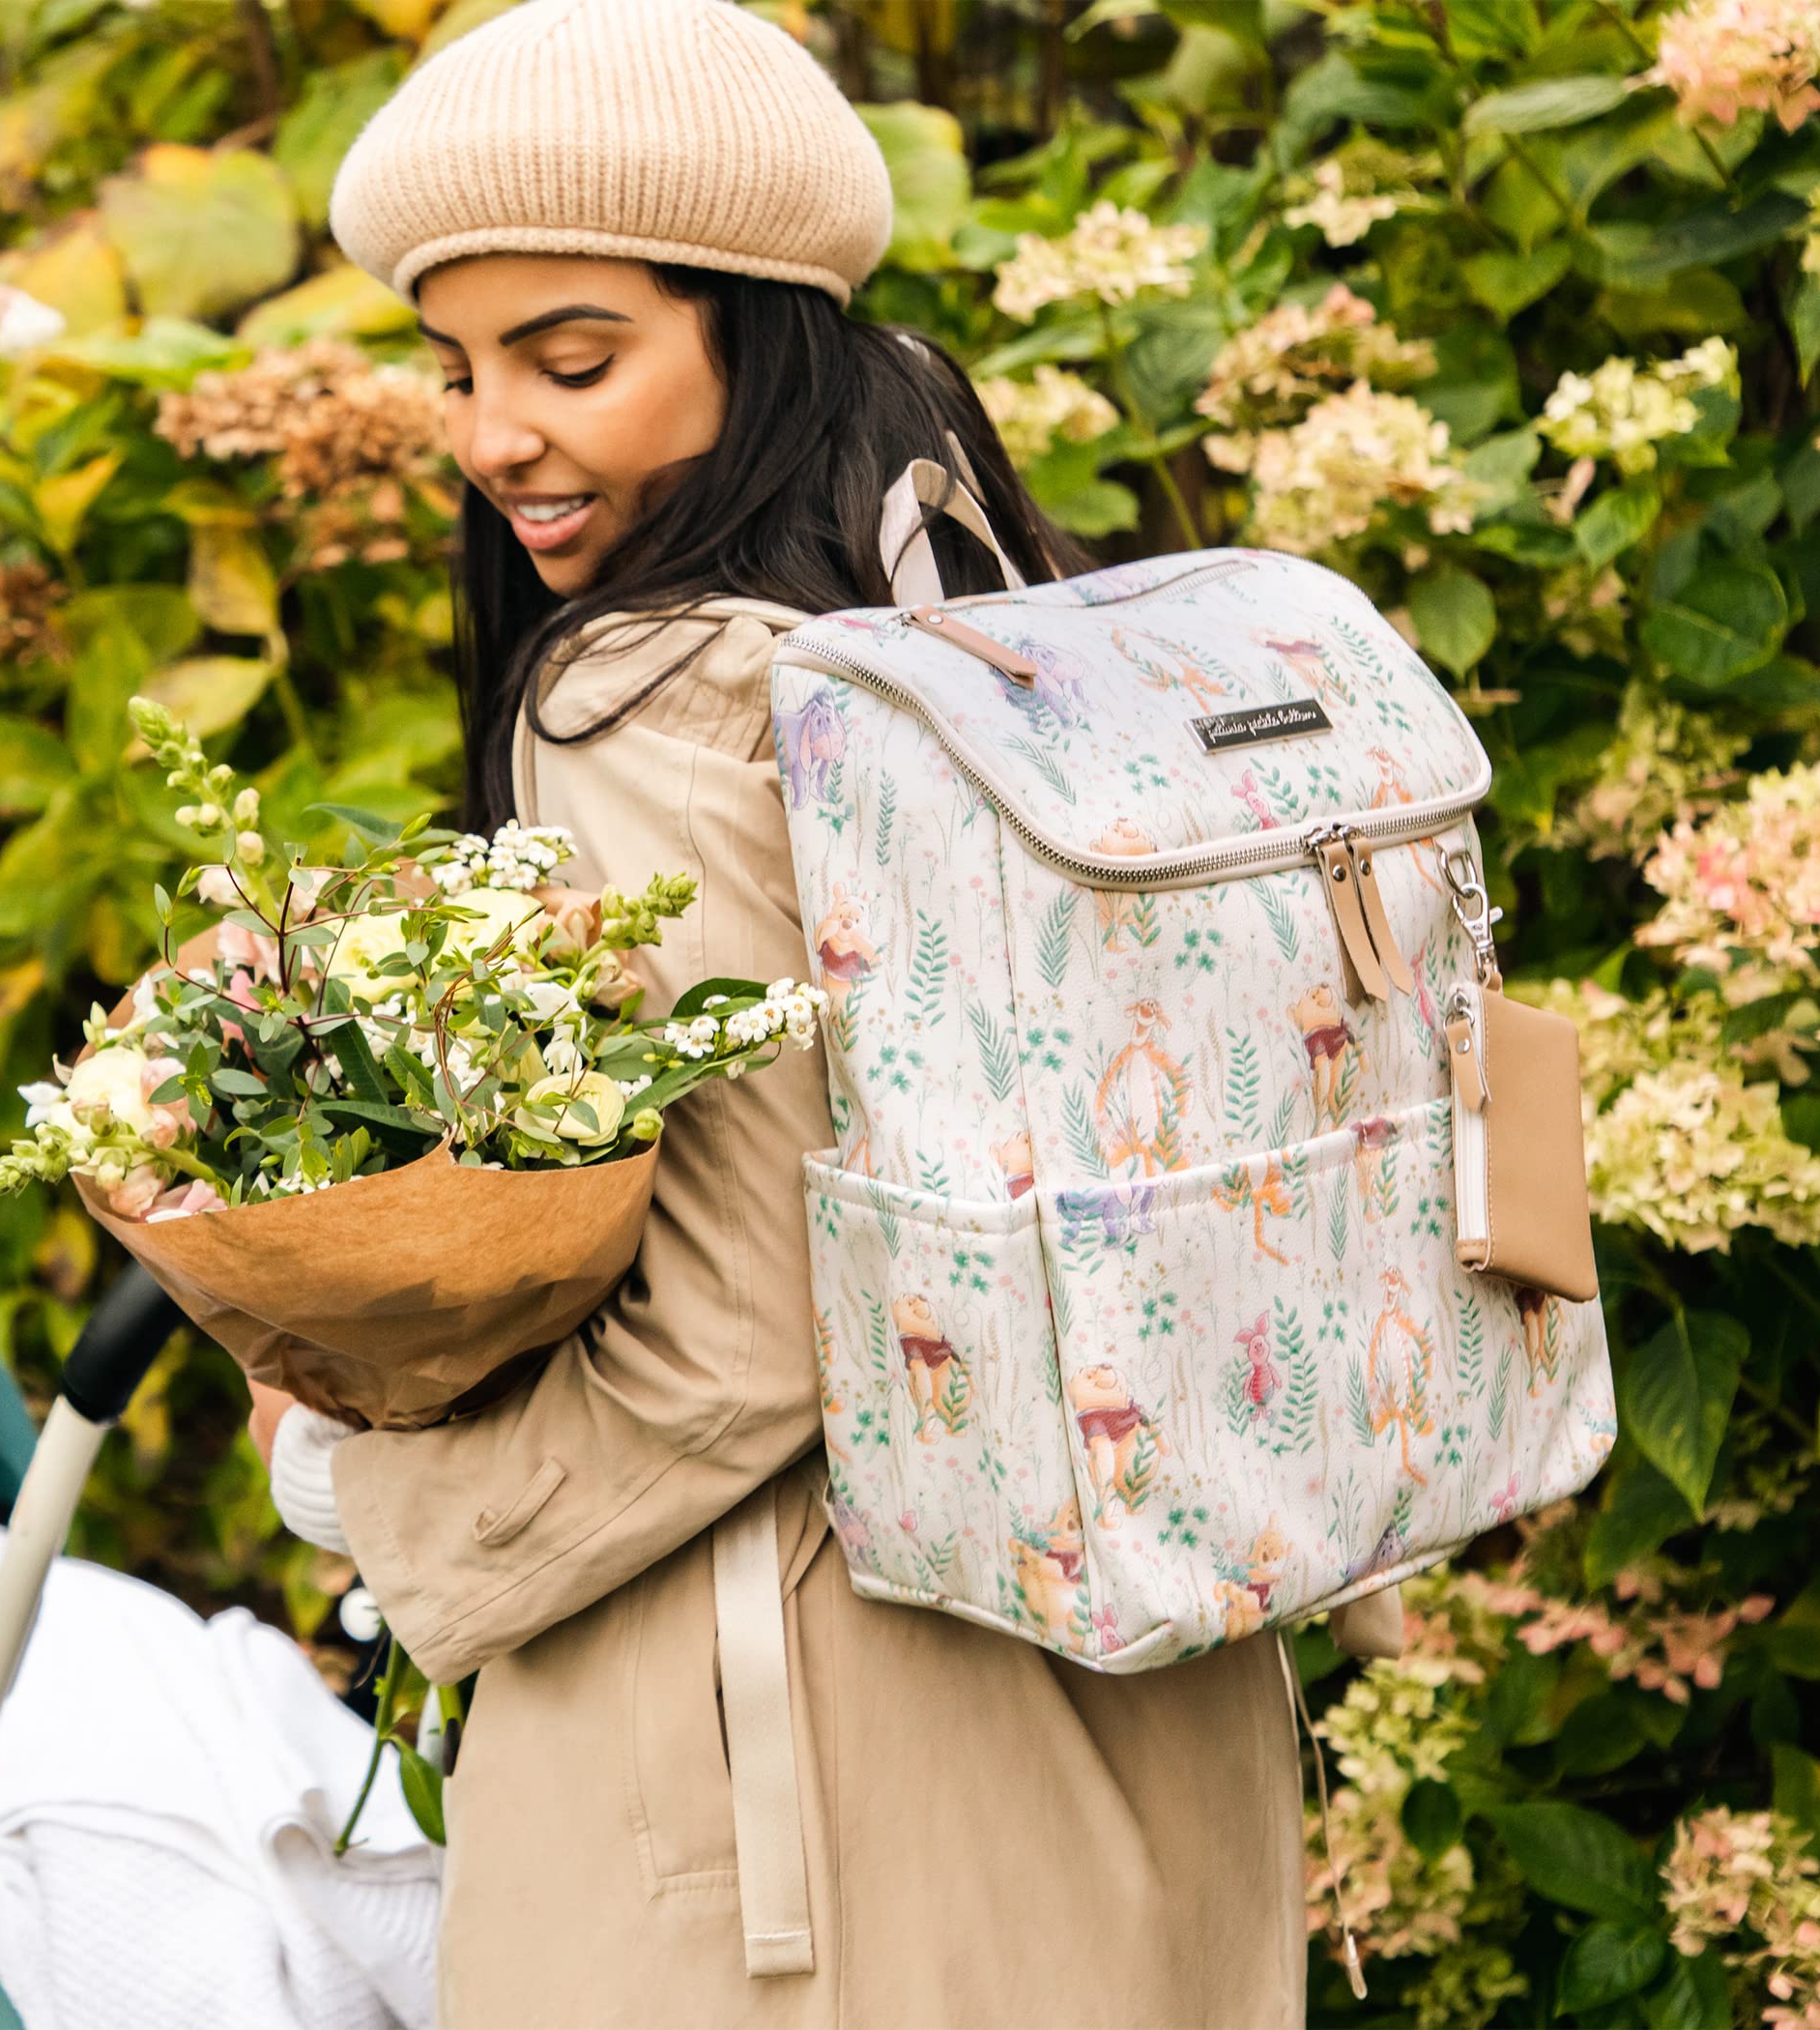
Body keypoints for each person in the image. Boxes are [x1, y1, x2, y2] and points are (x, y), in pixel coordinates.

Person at [247, 2, 1311, 2022]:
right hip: (1115, 1674)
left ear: (754, 337)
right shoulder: (987, 632)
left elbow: (755, 1319)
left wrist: (361, 1485)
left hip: (797, 1766)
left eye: (572, 361)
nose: (493, 439)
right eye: (456, 369)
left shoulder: (651, 698)